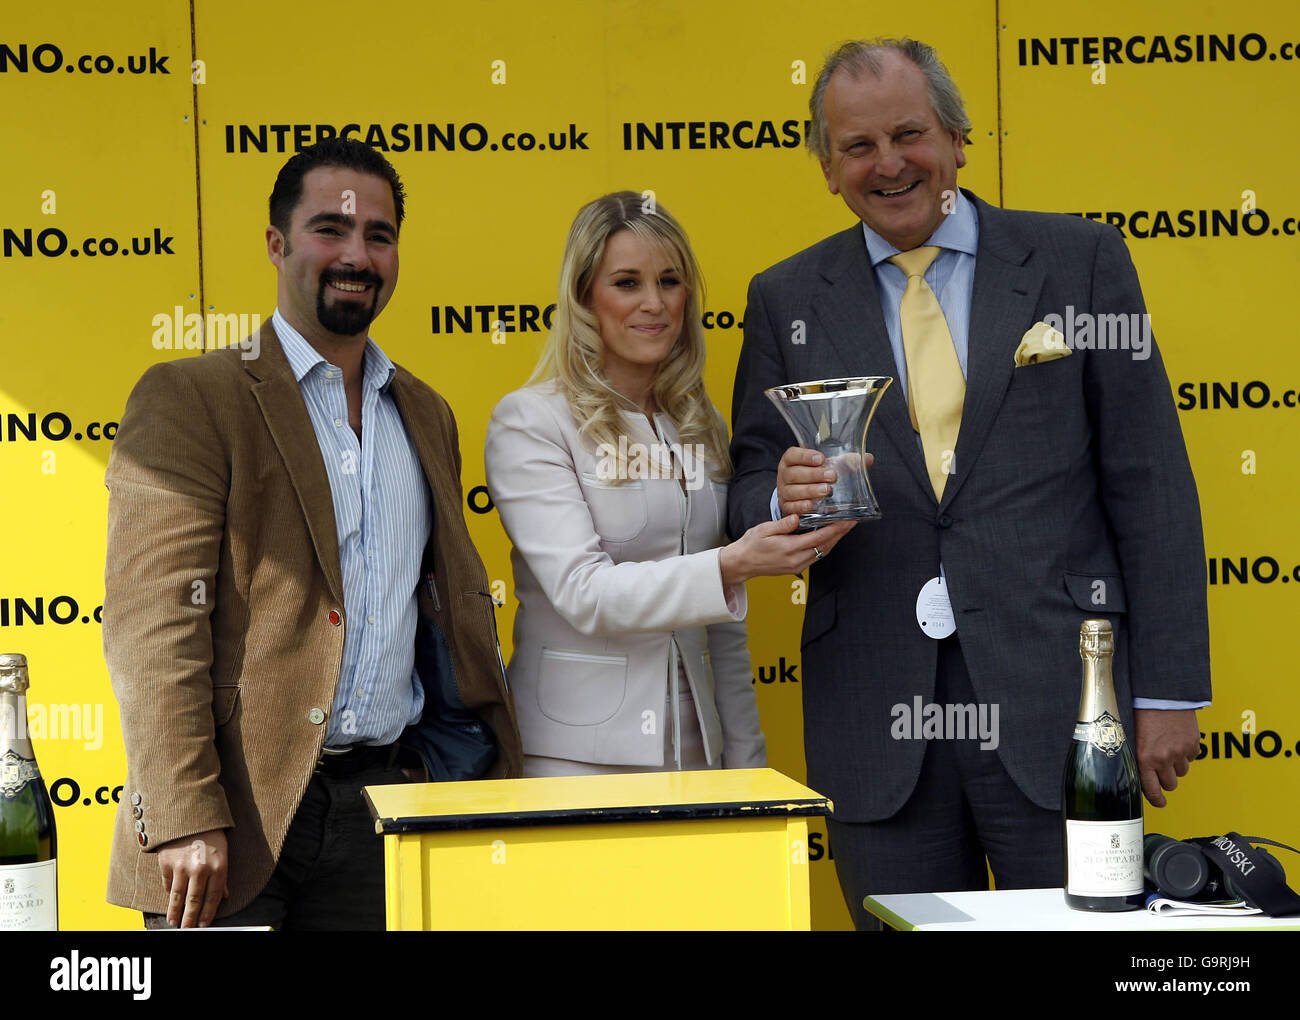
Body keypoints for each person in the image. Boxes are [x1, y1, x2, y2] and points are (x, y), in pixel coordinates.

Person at [727, 38, 1211, 928]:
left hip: (1064, 709)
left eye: (909, 134)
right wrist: (778, 497)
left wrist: (1169, 695)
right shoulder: (786, 297)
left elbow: (1152, 484)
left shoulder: (1079, 262)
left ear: (957, 138)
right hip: (877, 719)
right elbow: (750, 478)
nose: (889, 164)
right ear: (828, 170)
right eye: (857, 148)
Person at [103, 138, 521, 930]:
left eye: (379, 236)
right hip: (234, 822)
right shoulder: (193, 397)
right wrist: (185, 810)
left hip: (388, 812)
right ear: (276, 244)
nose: (356, 255)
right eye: (330, 229)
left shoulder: (425, 412)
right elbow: (151, 625)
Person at [485, 192, 849, 776]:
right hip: (574, 757)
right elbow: (585, 593)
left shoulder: (697, 423)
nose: (654, 304)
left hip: (696, 753)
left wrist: (747, 767)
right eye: (626, 283)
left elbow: (724, 628)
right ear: (583, 297)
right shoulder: (530, 421)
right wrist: (732, 564)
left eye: (670, 281)